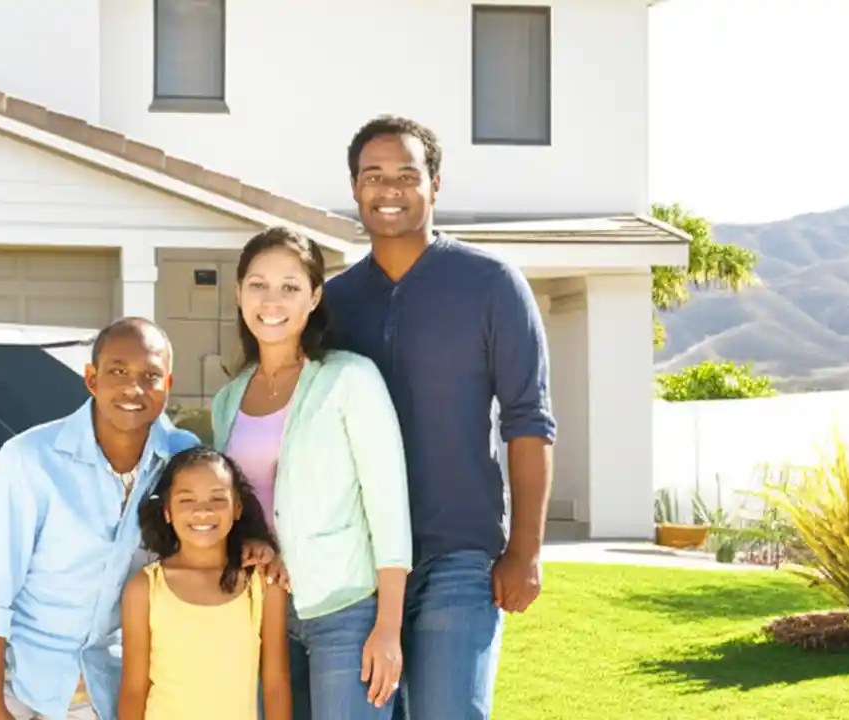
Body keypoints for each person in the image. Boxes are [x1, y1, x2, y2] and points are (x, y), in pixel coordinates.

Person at [324, 115, 557, 720]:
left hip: (459, 552)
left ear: (435, 185)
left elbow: (528, 418)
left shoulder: (491, 285)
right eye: (374, 176)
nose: (390, 189)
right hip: (360, 561)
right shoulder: (335, 303)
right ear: (354, 188)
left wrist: (526, 548)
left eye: (407, 174)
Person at [0, 317, 283, 720]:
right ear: (91, 378)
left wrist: (249, 542)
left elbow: (208, 515)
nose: (132, 388)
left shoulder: (178, 457)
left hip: (90, 682)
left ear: (167, 385)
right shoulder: (30, 460)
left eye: (150, 376)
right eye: (117, 371)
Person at [210, 226, 414, 720]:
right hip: (260, 611)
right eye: (258, 284)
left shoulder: (350, 379)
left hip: (345, 613)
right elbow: (233, 511)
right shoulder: (227, 400)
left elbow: (388, 507)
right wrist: (249, 545)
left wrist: (388, 628)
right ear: (239, 293)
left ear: (314, 296)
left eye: (290, 286)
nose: (271, 300)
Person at [118, 447, 292, 720]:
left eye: (217, 499)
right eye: (187, 500)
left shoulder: (262, 583)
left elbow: (275, 681)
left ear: (237, 508)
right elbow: (133, 689)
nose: (203, 511)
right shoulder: (144, 589)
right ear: (167, 511)